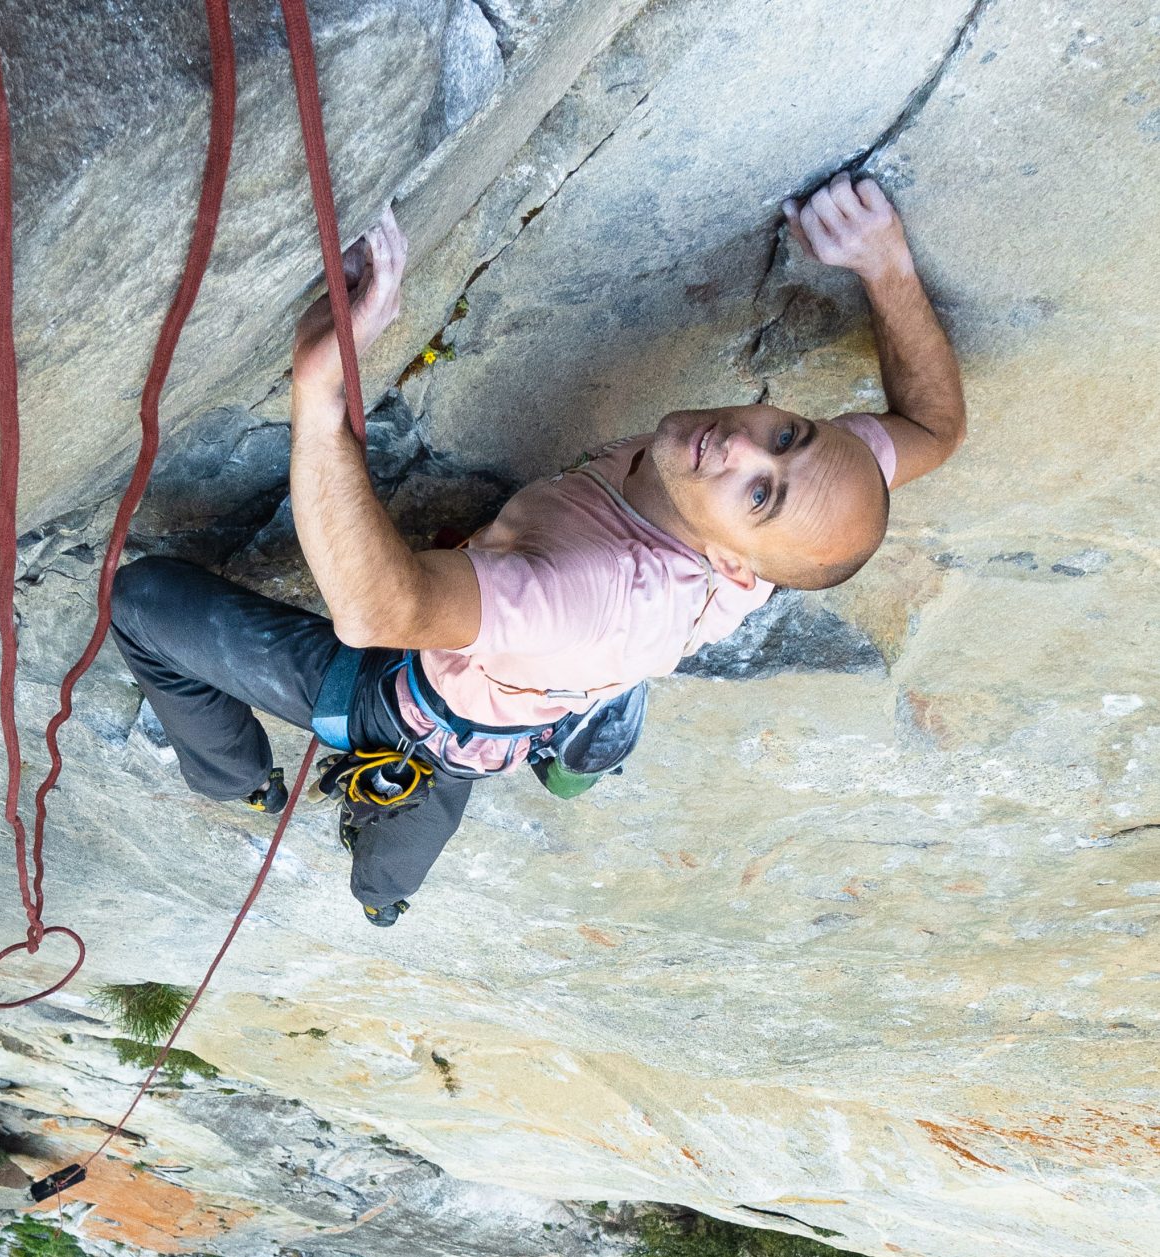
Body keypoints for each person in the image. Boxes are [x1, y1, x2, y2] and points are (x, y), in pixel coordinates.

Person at [110, 173, 965, 926]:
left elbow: (379, 612)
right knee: (444, 792)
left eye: (760, 491)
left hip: (420, 707)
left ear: (739, 566)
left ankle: (260, 800)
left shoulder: (585, 593)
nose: (742, 446)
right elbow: (934, 427)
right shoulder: (798, 521)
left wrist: (320, 391)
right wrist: (883, 264)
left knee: (144, 606)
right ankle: (461, 833)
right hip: (556, 687)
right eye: (787, 432)